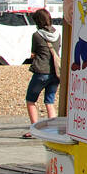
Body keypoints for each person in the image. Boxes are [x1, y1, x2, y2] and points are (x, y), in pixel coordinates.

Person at [25, 8, 62, 136]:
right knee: (49, 102)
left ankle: (34, 130)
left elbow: (33, 53)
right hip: (55, 72)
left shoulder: (36, 35)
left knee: (31, 100)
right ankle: (53, 129)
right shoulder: (58, 34)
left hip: (41, 71)